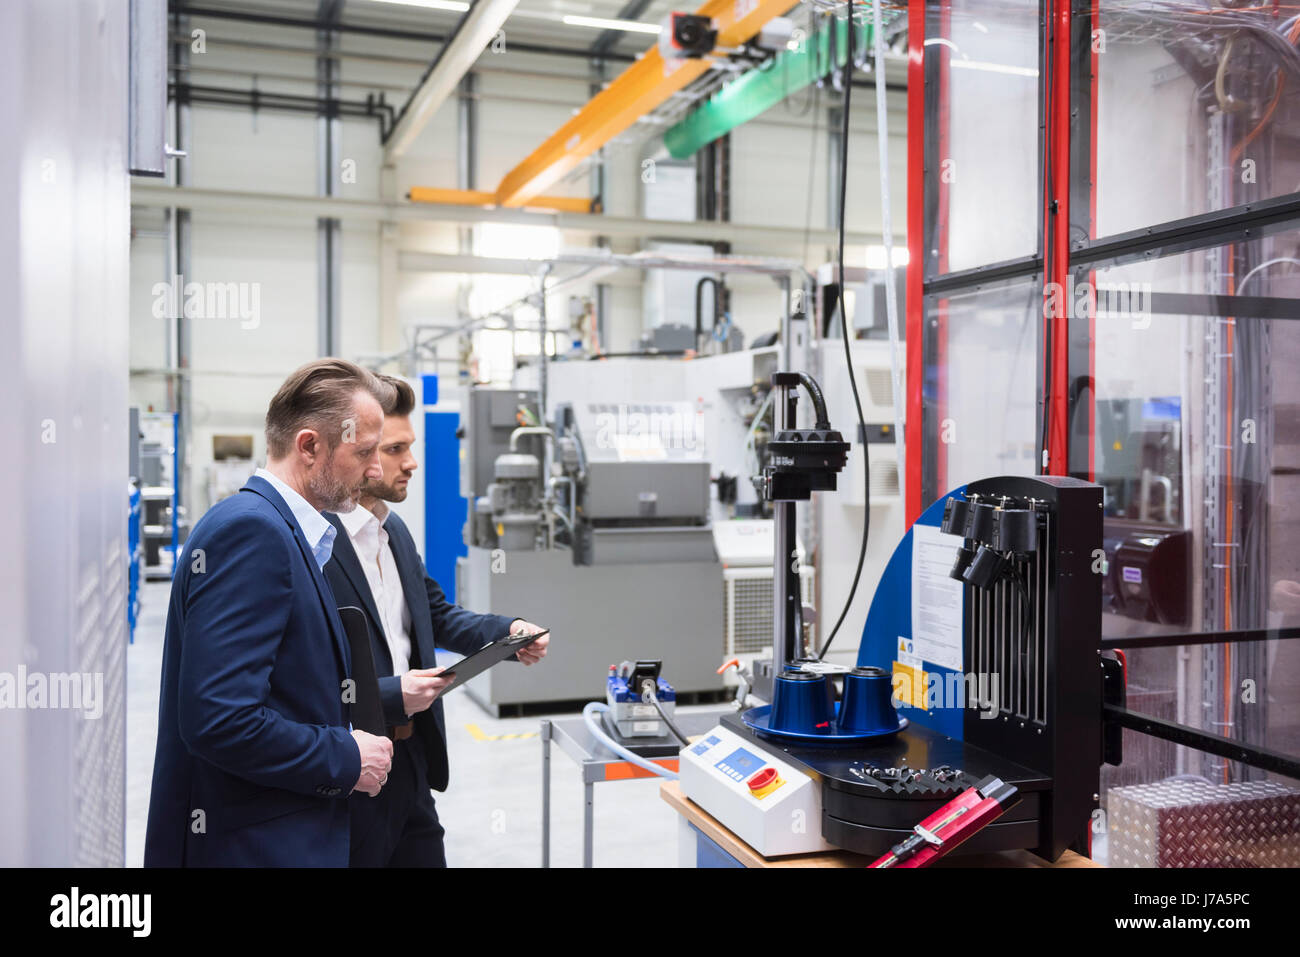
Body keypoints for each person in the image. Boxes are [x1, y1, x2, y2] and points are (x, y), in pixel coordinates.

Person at [144, 359, 397, 867]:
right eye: (363, 452)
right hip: (252, 848)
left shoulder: (288, 533)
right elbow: (218, 719)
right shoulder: (253, 534)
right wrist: (346, 755)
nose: (375, 470)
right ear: (309, 447)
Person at [323, 375, 549, 867]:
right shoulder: (316, 547)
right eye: (396, 448)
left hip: (412, 762)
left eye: (411, 446)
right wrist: (389, 693)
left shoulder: (394, 531)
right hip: (352, 764)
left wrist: (505, 632)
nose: (412, 462)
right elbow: (308, 676)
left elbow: (436, 615)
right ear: (358, 452)